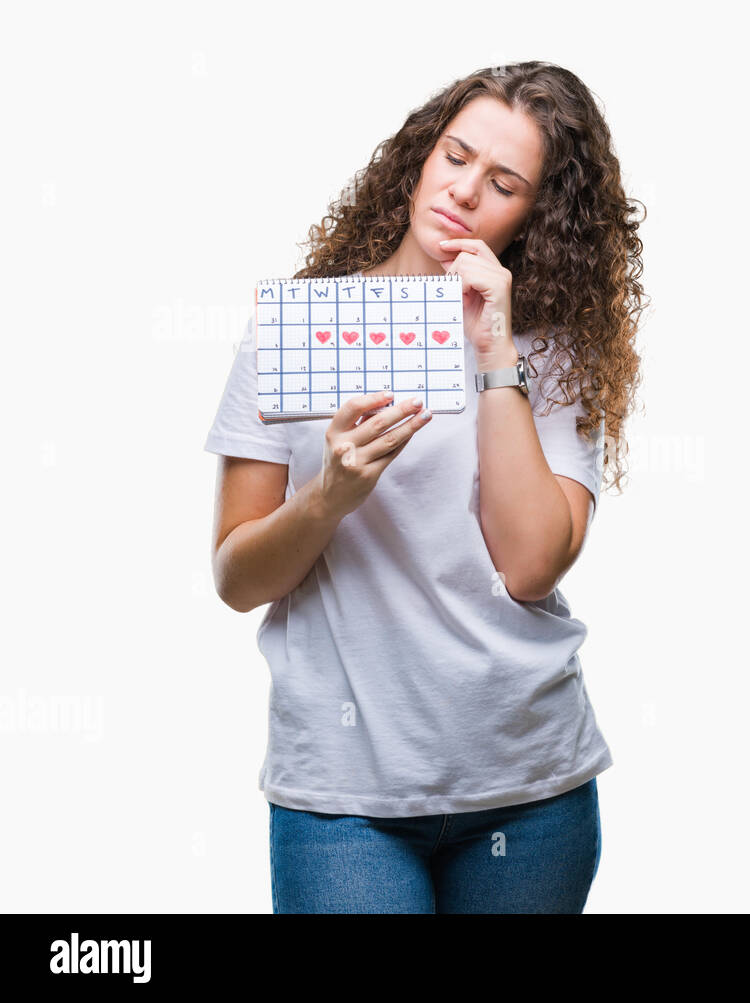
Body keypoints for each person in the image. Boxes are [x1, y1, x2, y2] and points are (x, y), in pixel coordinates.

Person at [204, 61, 646, 913]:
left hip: (528, 785)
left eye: (504, 182)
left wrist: (493, 350)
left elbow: (530, 567)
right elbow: (235, 577)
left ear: (538, 215)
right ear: (420, 155)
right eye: (455, 155)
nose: (465, 191)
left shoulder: (548, 355)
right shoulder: (298, 329)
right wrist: (329, 496)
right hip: (343, 799)